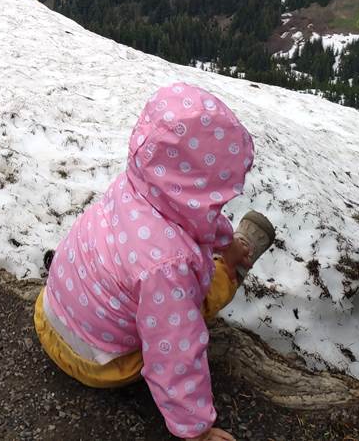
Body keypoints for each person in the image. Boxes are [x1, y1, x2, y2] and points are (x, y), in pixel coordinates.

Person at [34, 82, 276, 441]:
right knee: (193, 298)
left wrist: (223, 240)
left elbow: (194, 214)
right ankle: (233, 270)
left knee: (169, 275)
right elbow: (175, 352)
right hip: (96, 362)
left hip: (48, 314)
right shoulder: (167, 266)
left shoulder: (138, 181)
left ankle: (231, 250)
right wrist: (197, 431)